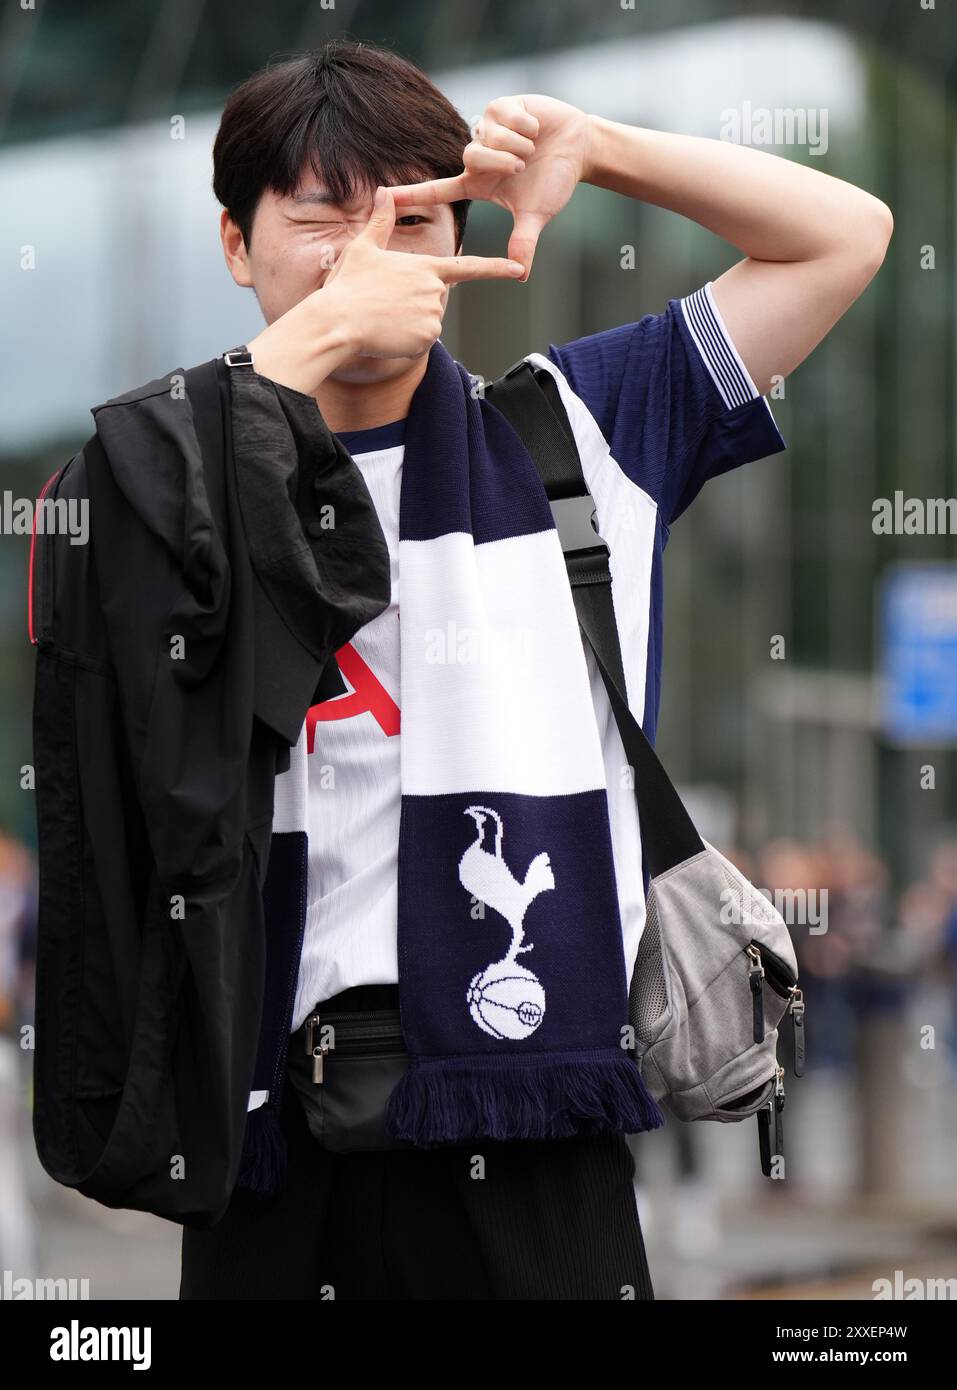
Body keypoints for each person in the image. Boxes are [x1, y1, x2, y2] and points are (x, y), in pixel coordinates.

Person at [33, 38, 892, 1302]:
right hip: (270, 1129)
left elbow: (843, 236)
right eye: (324, 220)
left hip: (536, 1120)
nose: (372, 254)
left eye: (413, 217)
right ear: (235, 245)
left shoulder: (574, 430)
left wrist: (603, 149)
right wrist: (309, 349)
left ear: (464, 236)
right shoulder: (174, 476)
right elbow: (112, 542)